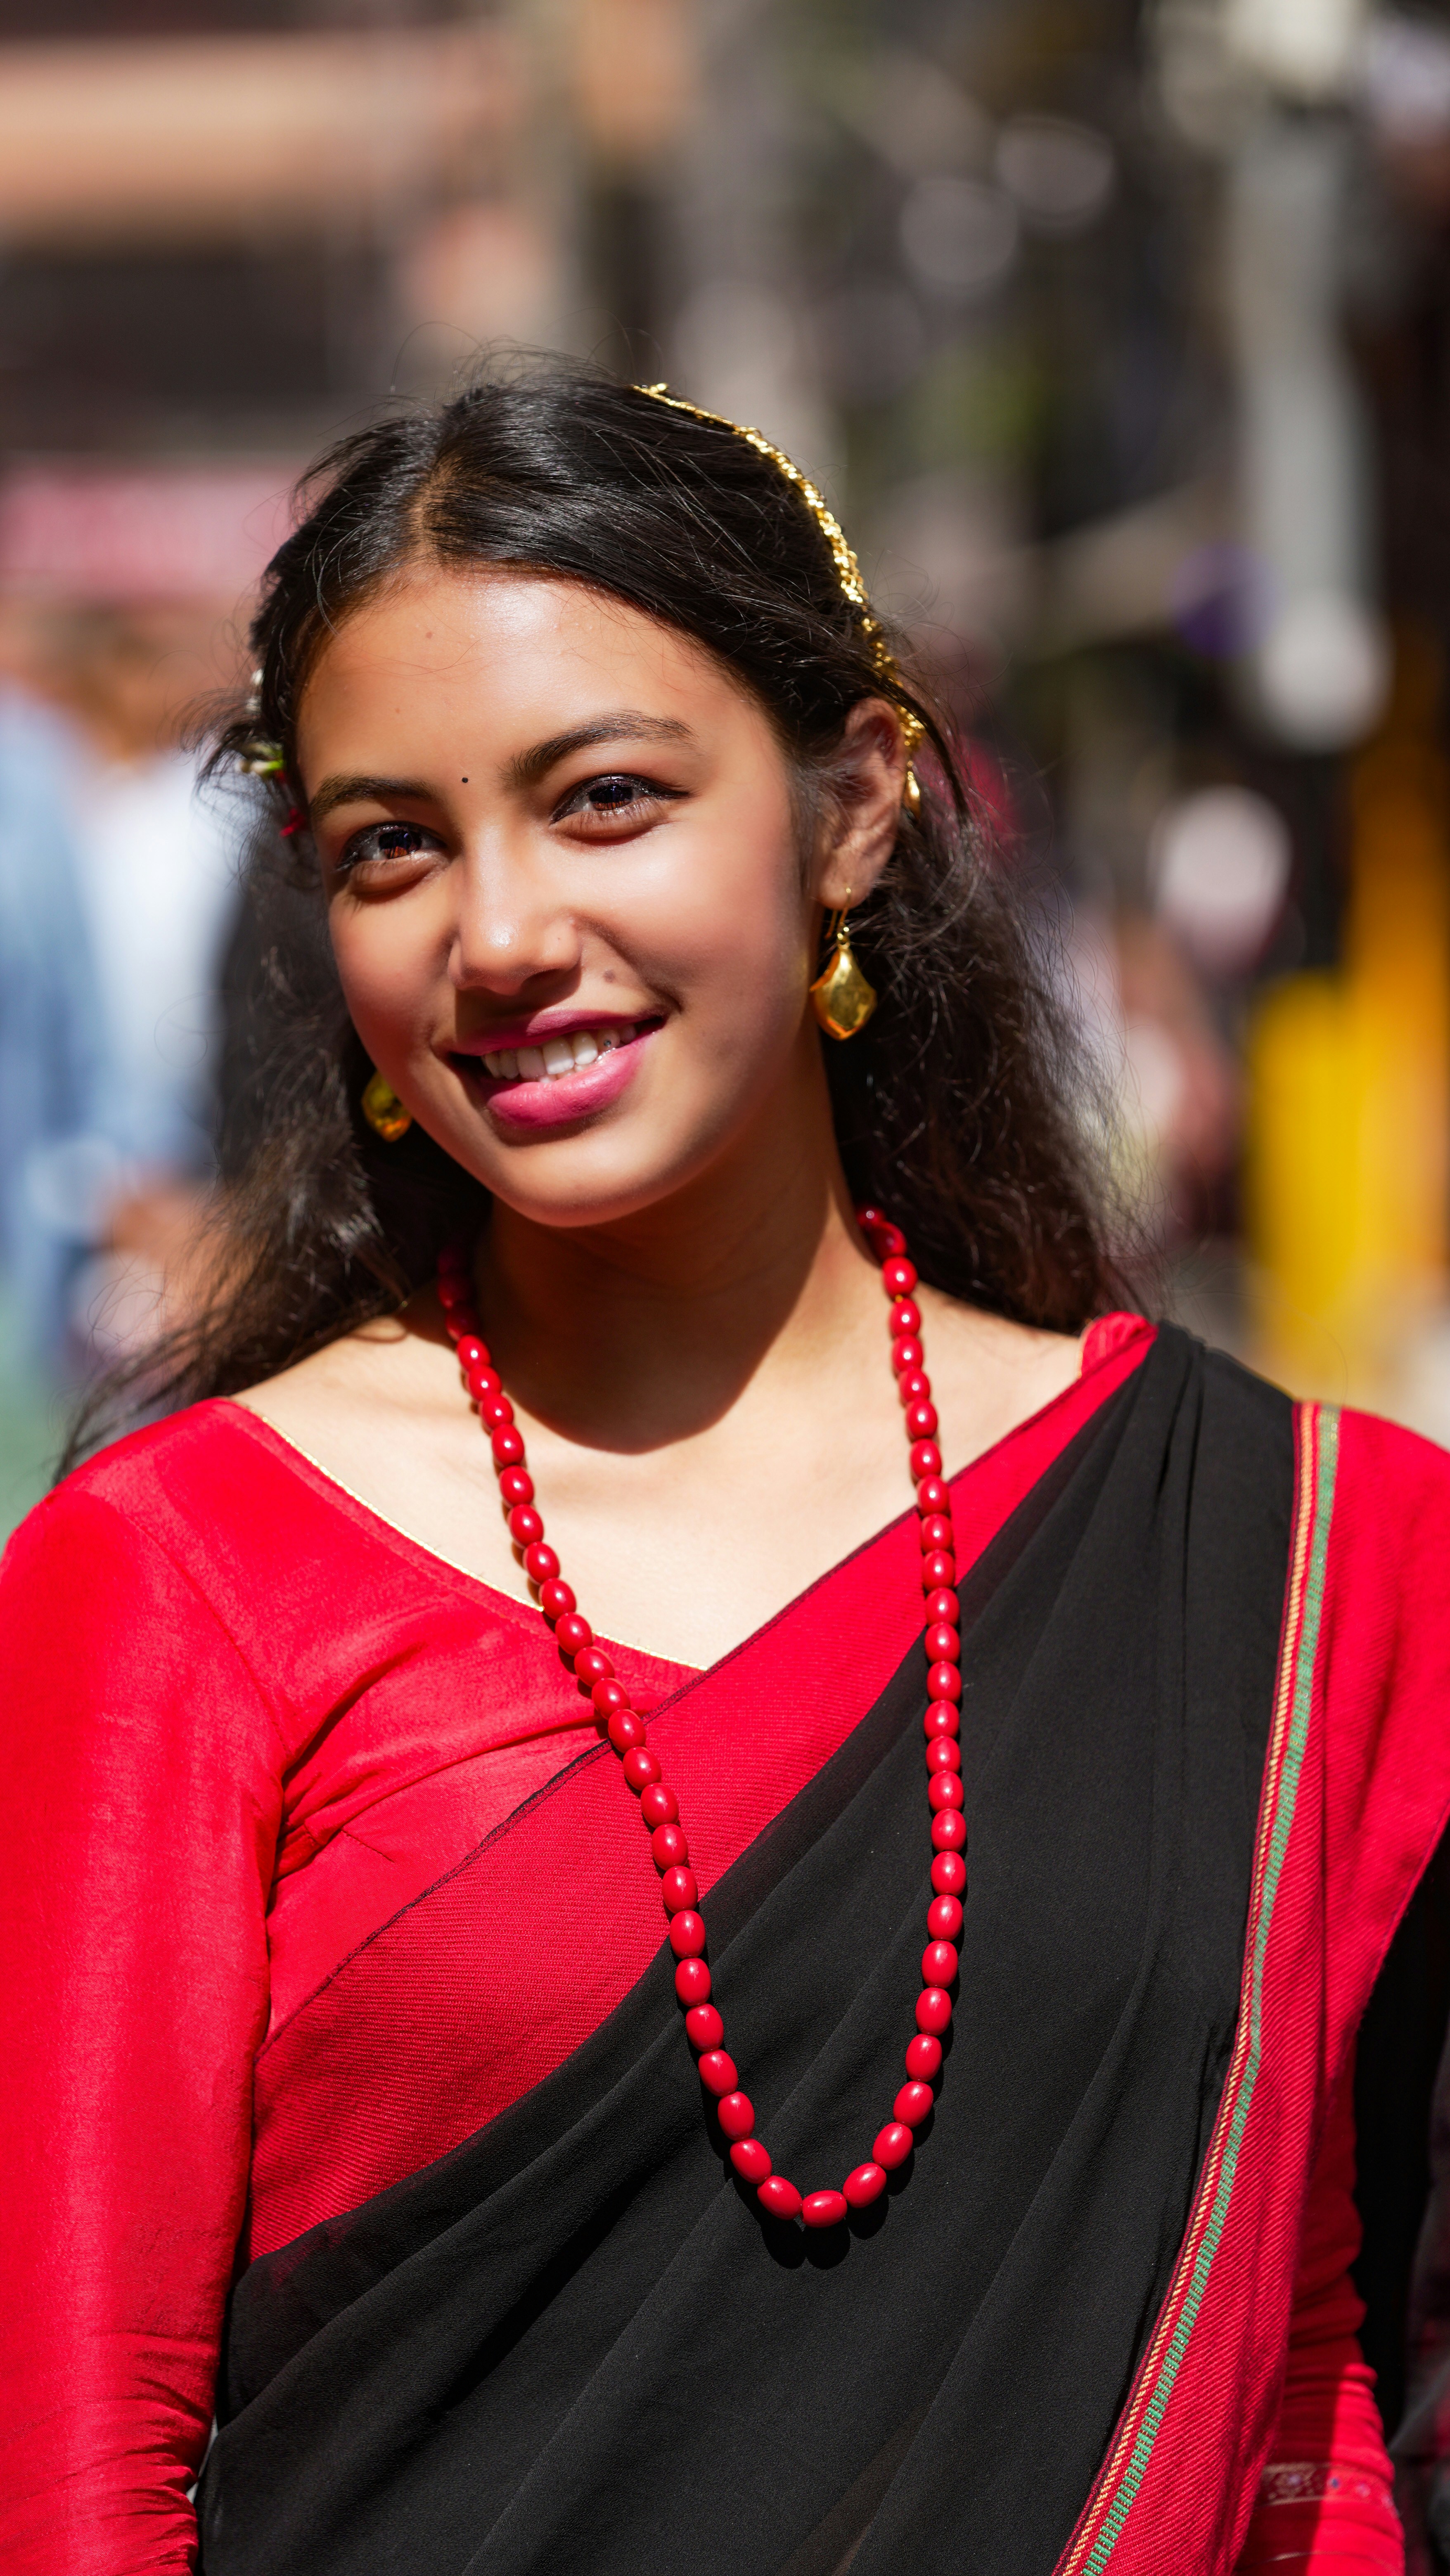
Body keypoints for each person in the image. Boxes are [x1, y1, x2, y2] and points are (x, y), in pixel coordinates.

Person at [1, 366, 1446, 2576]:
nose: (494, 936)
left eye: (602, 800)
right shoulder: (182, 1574)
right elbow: (64, 2469)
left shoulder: (1298, 1557)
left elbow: (1312, 2394)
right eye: (394, 842)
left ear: (853, 802)